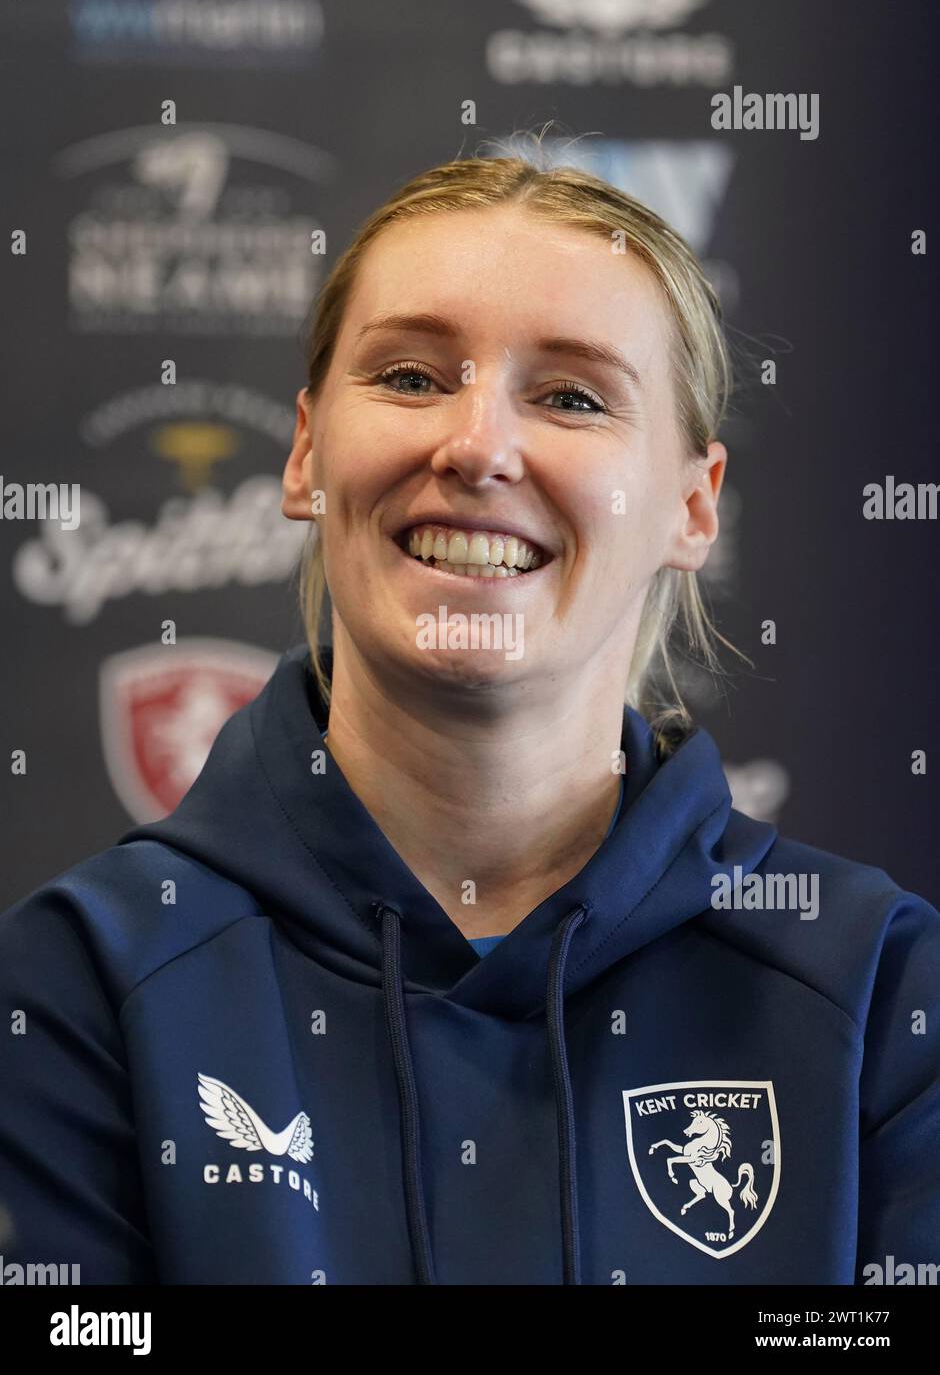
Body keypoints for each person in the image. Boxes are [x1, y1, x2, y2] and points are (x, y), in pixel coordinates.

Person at [0, 147, 937, 1287]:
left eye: (571, 397)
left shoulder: (879, 987)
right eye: (408, 377)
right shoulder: (82, 974)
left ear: (694, 505)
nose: (478, 446)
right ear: (305, 451)